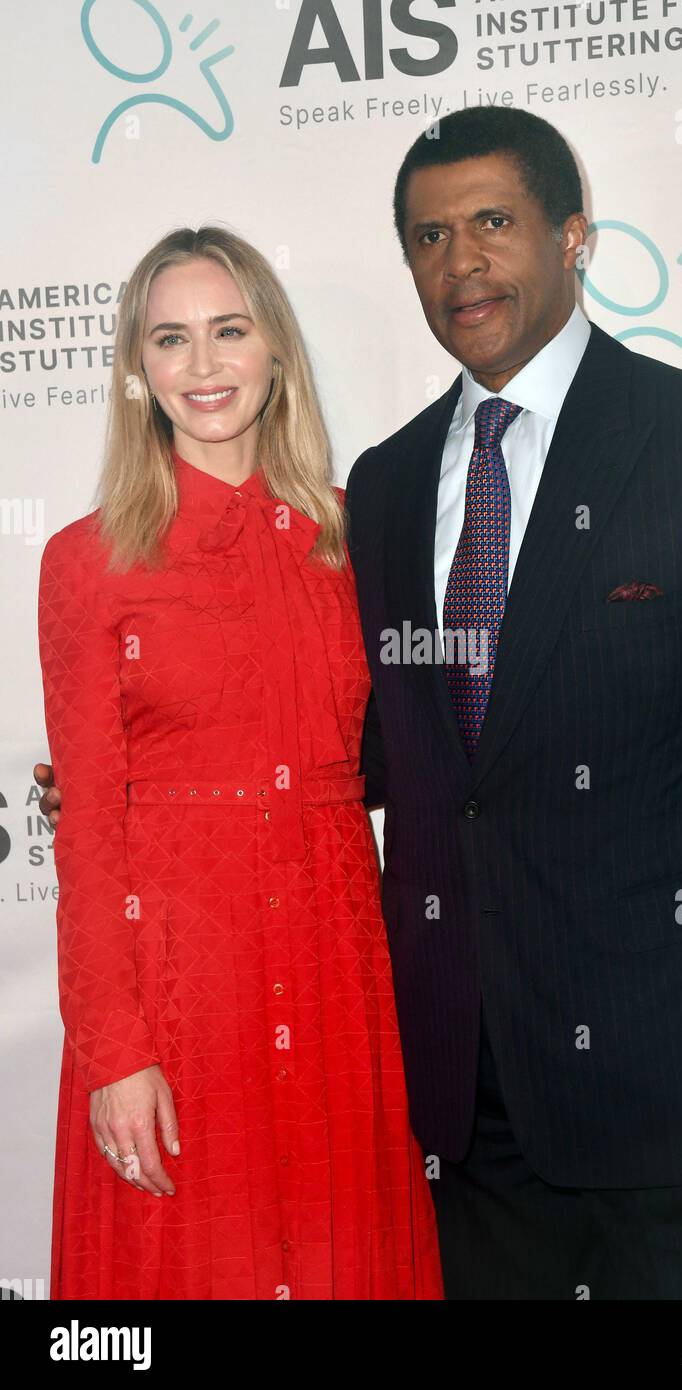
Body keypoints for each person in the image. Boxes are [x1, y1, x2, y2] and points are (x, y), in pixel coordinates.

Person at [341, 108, 682, 1299]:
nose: (460, 262)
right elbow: (392, 752)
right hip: (463, 1108)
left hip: (674, 1092)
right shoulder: (380, 487)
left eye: (492, 223)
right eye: (429, 235)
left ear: (572, 236)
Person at [33, 225, 442, 1300]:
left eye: (229, 331)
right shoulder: (85, 562)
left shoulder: (358, 539)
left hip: (337, 963)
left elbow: (422, 761)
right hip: (176, 986)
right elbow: (86, 828)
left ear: (275, 353)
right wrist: (115, 1048)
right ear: (137, 368)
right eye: (170, 339)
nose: (203, 366)